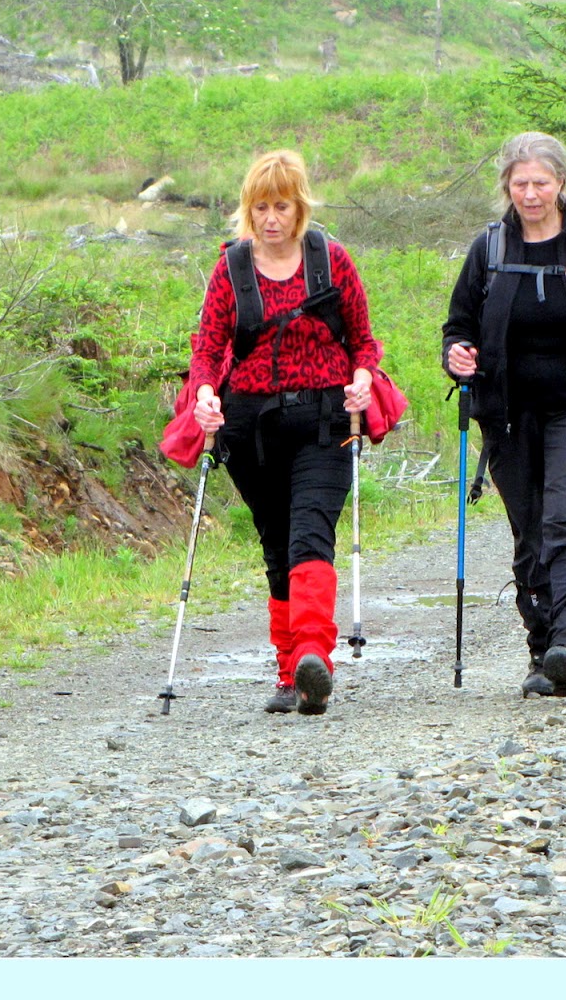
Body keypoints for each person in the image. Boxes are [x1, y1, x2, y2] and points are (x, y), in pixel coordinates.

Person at [441, 132, 566, 697]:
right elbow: (458, 325)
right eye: (520, 183)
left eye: (541, 183)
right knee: (529, 533)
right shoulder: (490, 250)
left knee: (564, 522)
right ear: (507, 185)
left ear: (560, 184)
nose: (531, 194)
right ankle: (541, 650)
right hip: (505, 412)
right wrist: (455, 356)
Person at [188, 149, 383, 715]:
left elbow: (364, 342)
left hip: (326, 421)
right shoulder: (232, 268)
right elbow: (207, 348)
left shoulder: (332, 260)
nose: (271, 218)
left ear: (301, 207)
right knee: (277, 546)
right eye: (261, 207)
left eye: (282, 206)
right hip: (249, 428)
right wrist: (204, 392)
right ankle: (289, 673)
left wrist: (364, 379)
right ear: (248, 210)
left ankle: (314, 659)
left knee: (309, 537)